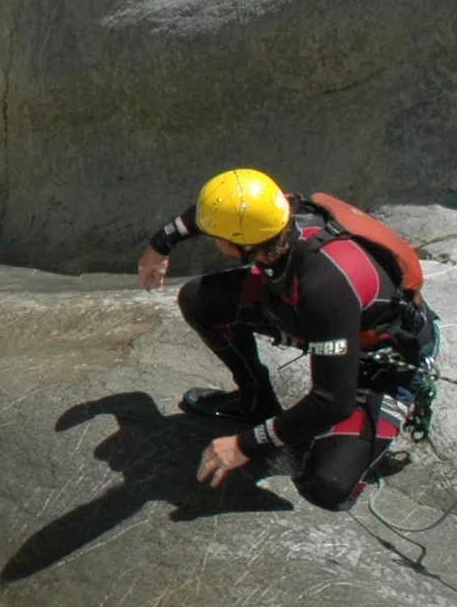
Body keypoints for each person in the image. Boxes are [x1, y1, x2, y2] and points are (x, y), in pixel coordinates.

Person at [137, 169, 439, 511]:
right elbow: (212, 210)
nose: (211, 239)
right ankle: (255, 401)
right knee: (199, 300)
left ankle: (381, 411)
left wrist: (246, 445)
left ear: (243, 244)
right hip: (310, 316)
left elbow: (331, 402)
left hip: (380, 361)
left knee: (326, 486)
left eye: (217, 236)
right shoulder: (275, 212)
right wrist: (159, 246)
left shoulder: (324, 285)